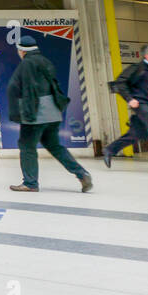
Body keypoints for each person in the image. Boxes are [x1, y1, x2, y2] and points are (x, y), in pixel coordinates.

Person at [7, 35, 92, 193]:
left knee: (27, 146)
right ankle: (82, 174)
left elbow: (14, 87)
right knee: (55, 146)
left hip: (35, 113)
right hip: (53, 112)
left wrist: (18, 113)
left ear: (22, 51)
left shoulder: (26, 64)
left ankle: (30, 183)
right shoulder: (45, 61)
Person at [104, 45, 148, 170]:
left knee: (136, 133)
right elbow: (120, 82)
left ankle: (110, 149)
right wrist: (130, 99)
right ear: (147, 56)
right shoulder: (137, 68)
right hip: (140, 104)